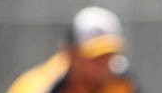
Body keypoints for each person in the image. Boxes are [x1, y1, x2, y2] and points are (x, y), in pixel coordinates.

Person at [7, 6, 140, 93]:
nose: (103, 64)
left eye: (109, 54)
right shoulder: (37, 87)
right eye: (94, 56)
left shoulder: (124, 82)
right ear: (70, 53)